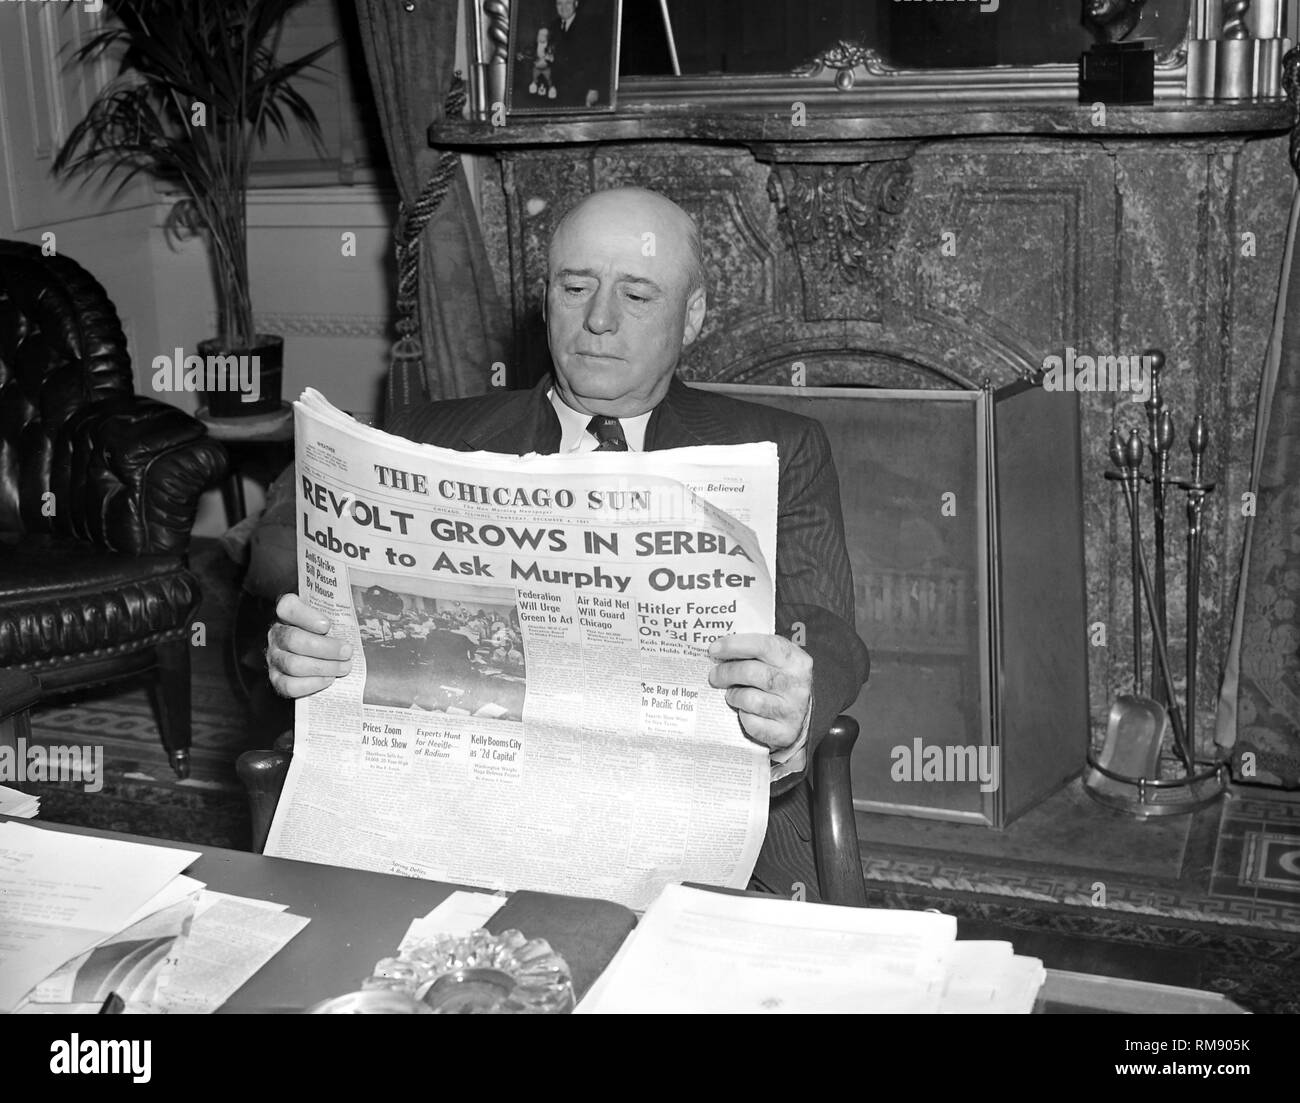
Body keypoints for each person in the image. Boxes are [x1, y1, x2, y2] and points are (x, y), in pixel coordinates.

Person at [267, 186, 870, 901]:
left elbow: (829, 630)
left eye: (638, 295)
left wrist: (796, 703)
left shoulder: (778, 448)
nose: (599, 319)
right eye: (575, 286)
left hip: (688, 835)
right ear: (546, 300)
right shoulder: (427, 437)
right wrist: (306, 637)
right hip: (454, 824)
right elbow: (278, 541)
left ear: (694, 314)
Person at [546, 0, 610, 108]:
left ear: (576, 4)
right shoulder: (554, 26)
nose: (563, 7)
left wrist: (593, 89)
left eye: (568, 3)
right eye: (559, 3)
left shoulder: (589, 26)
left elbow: (597, 59)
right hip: (557, 91)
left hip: (582, 91)